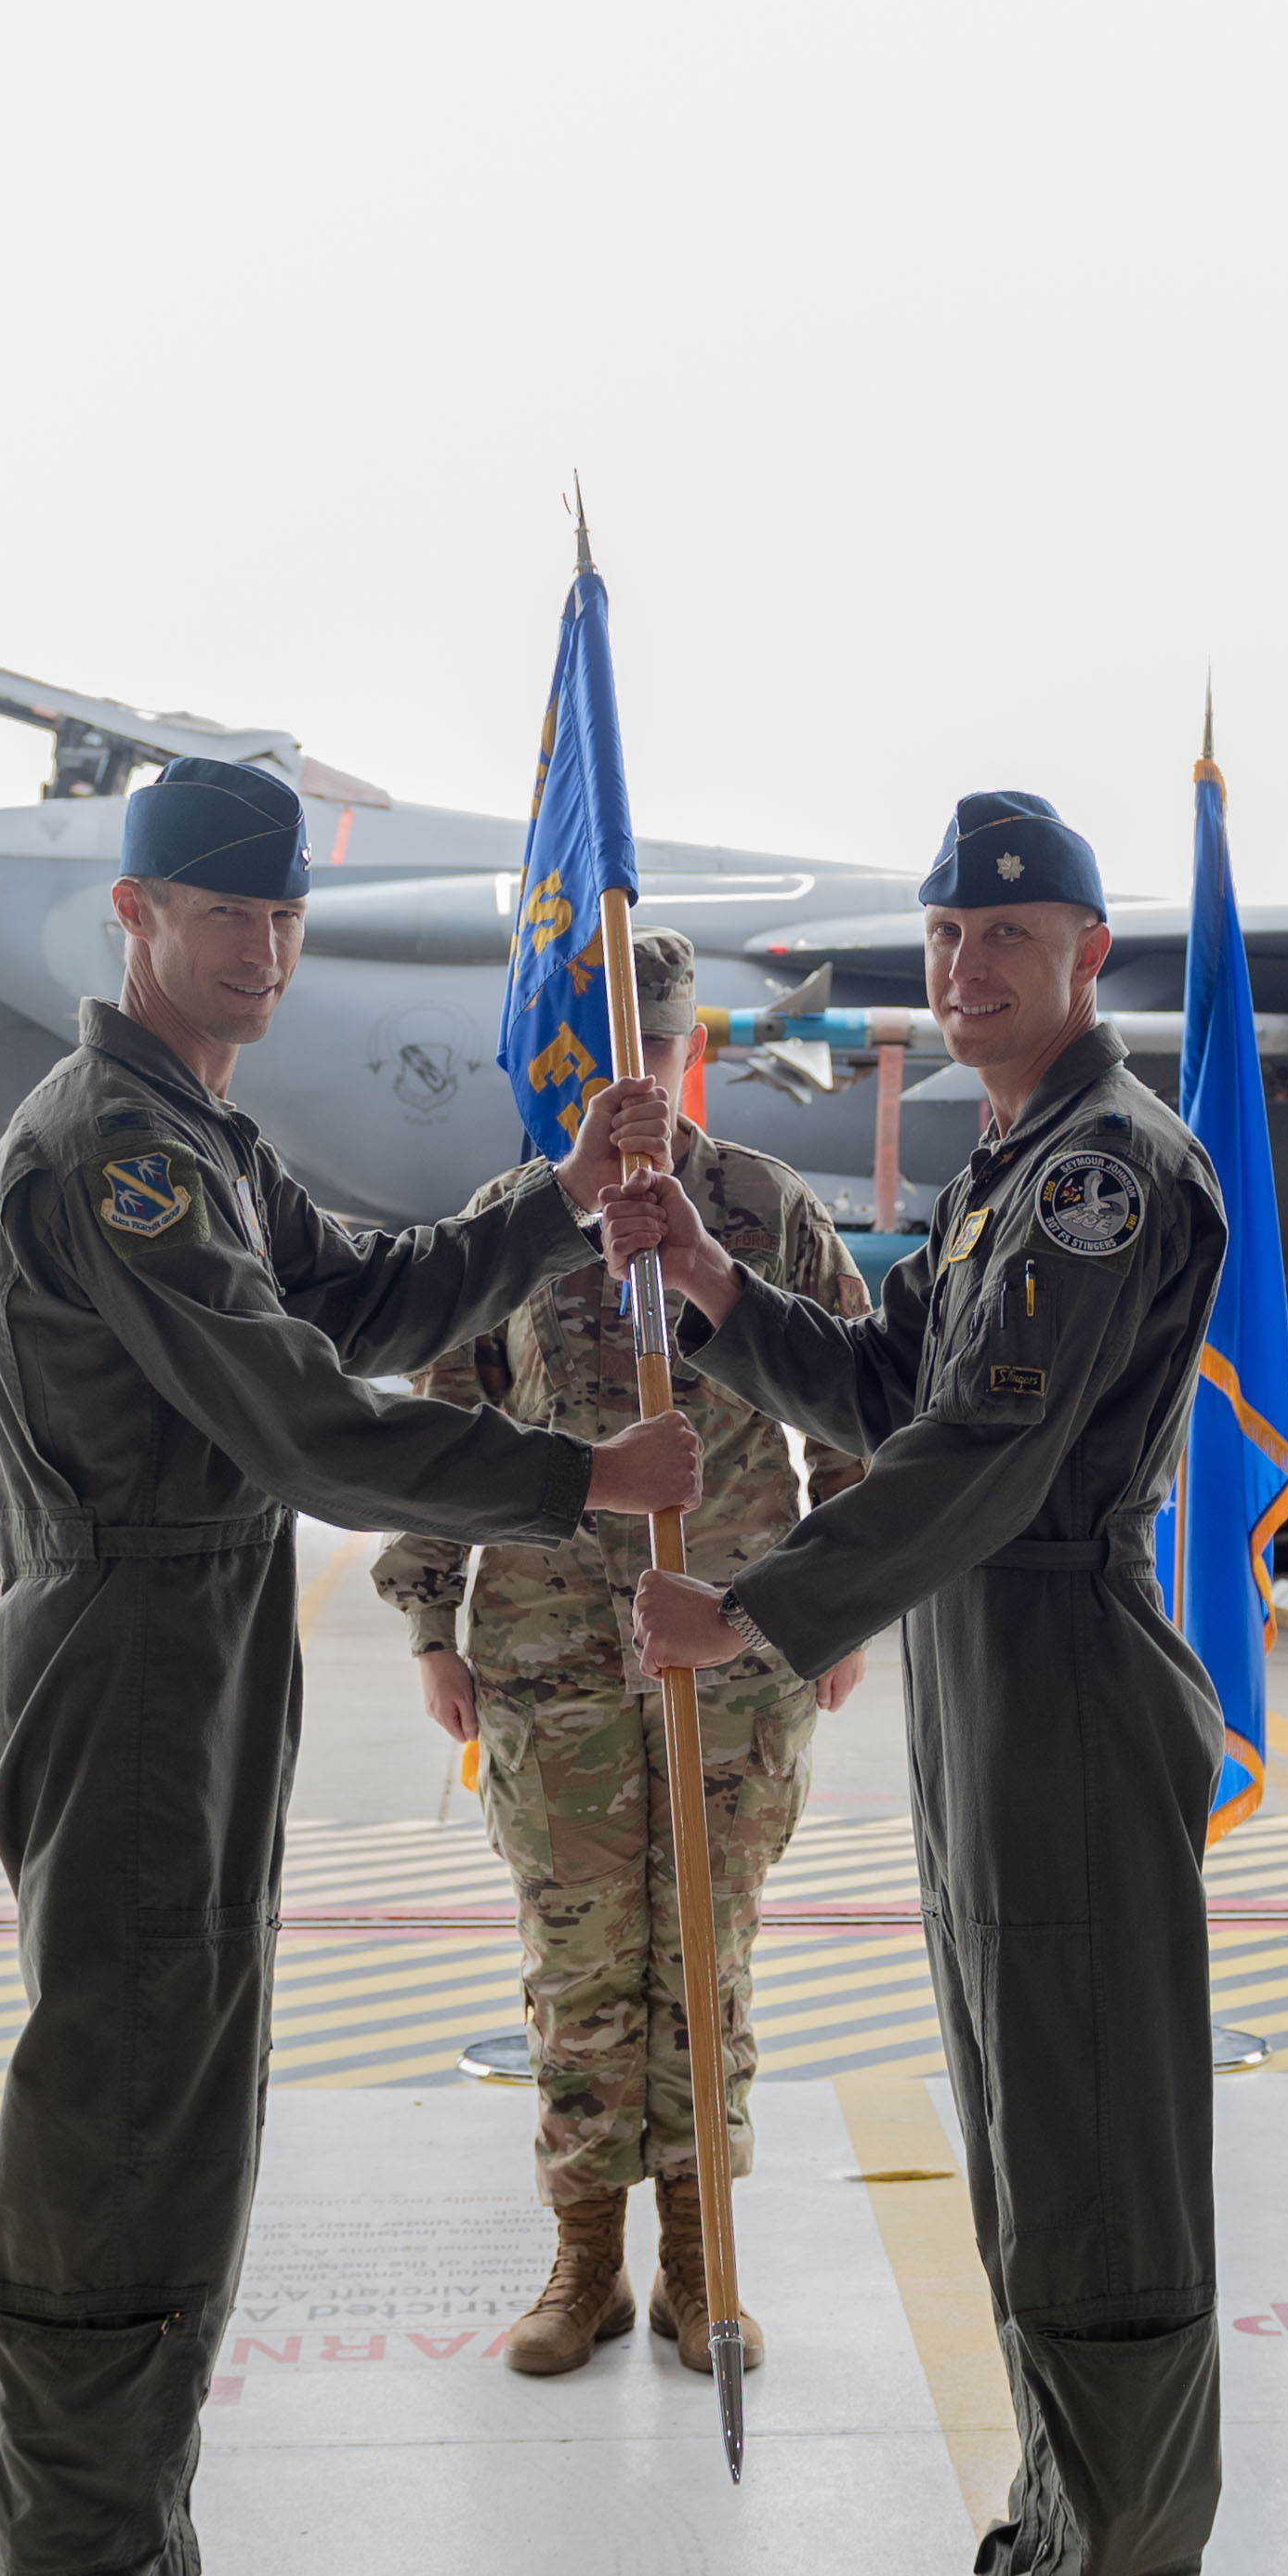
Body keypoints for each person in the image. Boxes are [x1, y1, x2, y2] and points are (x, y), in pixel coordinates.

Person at [0, 754, 698, 2576]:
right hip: (124, 1641)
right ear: (135, 916)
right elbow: (301, 1419)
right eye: (225, 914)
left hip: (196, 1638)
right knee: (119, 2106)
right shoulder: (115, 1144)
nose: (263, 946)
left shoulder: (198, 1130)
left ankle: (128, 2552)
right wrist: (574, 1478)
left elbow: (363, 1295)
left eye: (282, 916)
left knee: (185, 2104)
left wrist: (549, 1204)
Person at [622, 791, 1233, 2576]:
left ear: (1089, 952)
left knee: (1096, 2159)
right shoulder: (1010, 1160)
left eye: (1009, 934)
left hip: (1051, 1647)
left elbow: (984, 1453)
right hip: (989, 1656)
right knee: (1024, 2137)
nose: (966, 965)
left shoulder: (1097, 1175)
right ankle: (1060, 2535)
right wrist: (712, 1282)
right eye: (947, 935)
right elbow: (892, 1385)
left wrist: (763, 1602)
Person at [370, 923, 875, 2380]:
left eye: (655, 1047)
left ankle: (699, 2265)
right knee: (580, 1965)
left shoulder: (762, 1210)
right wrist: (429, 1622)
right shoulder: (513, 1219)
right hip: (545, 1658)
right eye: (602, 1055)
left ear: (691, 1050)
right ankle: (583, 2259)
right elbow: (441, 1432)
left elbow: (851, 1409)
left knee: (706, 1957)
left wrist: (833, 1608)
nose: (632, 1079)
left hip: (730, 1652)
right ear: (562, 1066)